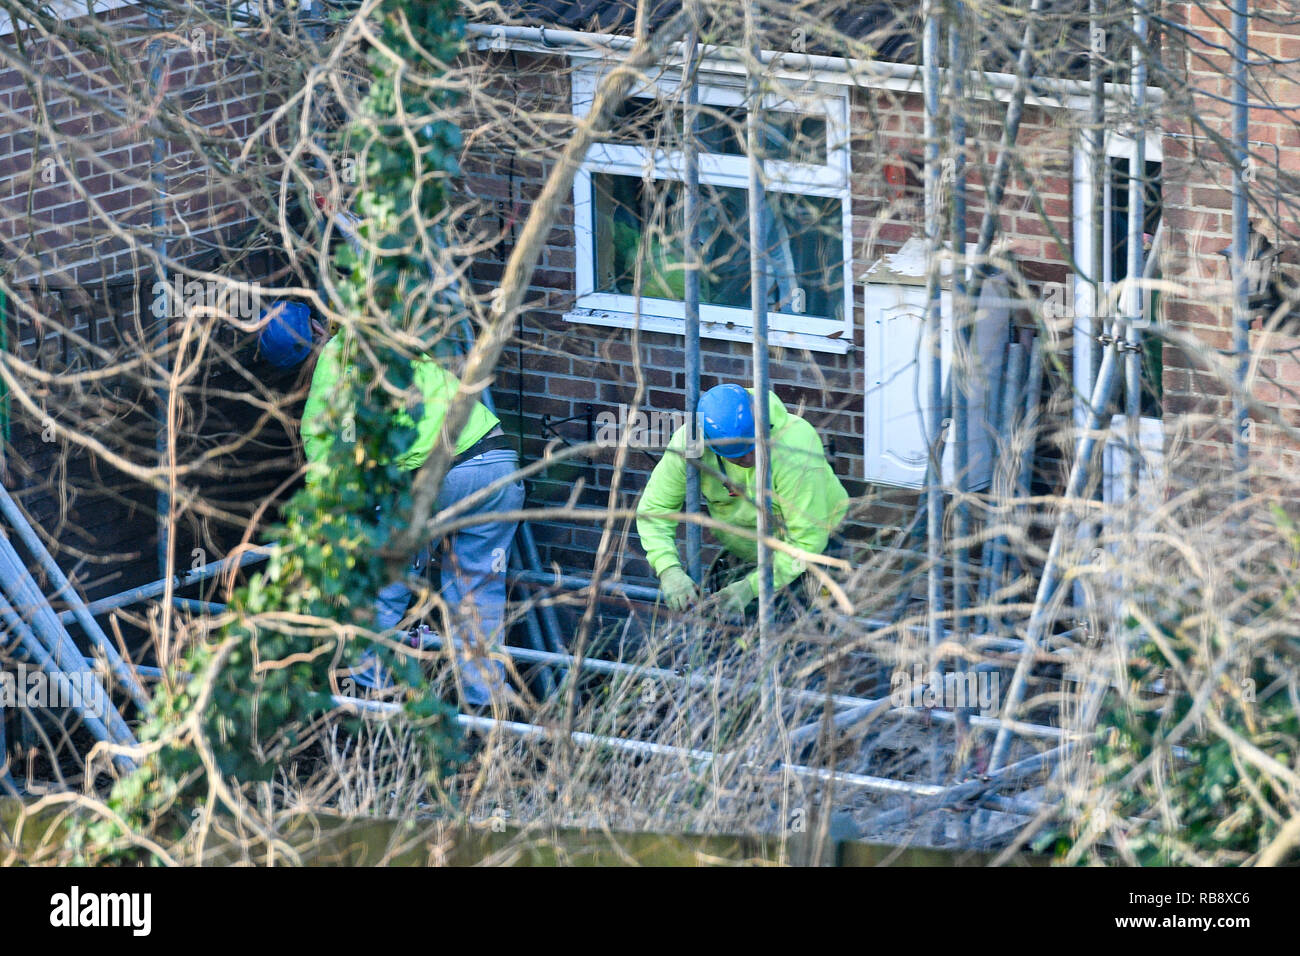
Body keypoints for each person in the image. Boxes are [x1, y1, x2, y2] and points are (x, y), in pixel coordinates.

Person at [301, 328, 524, 706]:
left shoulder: (338, 355)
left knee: (382, 589)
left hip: (436, 477)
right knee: (476, 599)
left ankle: (366, 705)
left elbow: (323, 450)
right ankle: (488, 717)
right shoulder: (401, 339)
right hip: (496, 466)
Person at [636, 383, 849, 617]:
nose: (750, 458)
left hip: (813, 548)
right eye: (737, 455)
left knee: (804, 635)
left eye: (753, 446)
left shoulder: (795, 447)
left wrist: (750, 587)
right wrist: (669, 570)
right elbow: (655, 509)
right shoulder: (689, 445)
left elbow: (808, 540)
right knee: (733, 631)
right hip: (748, 548)